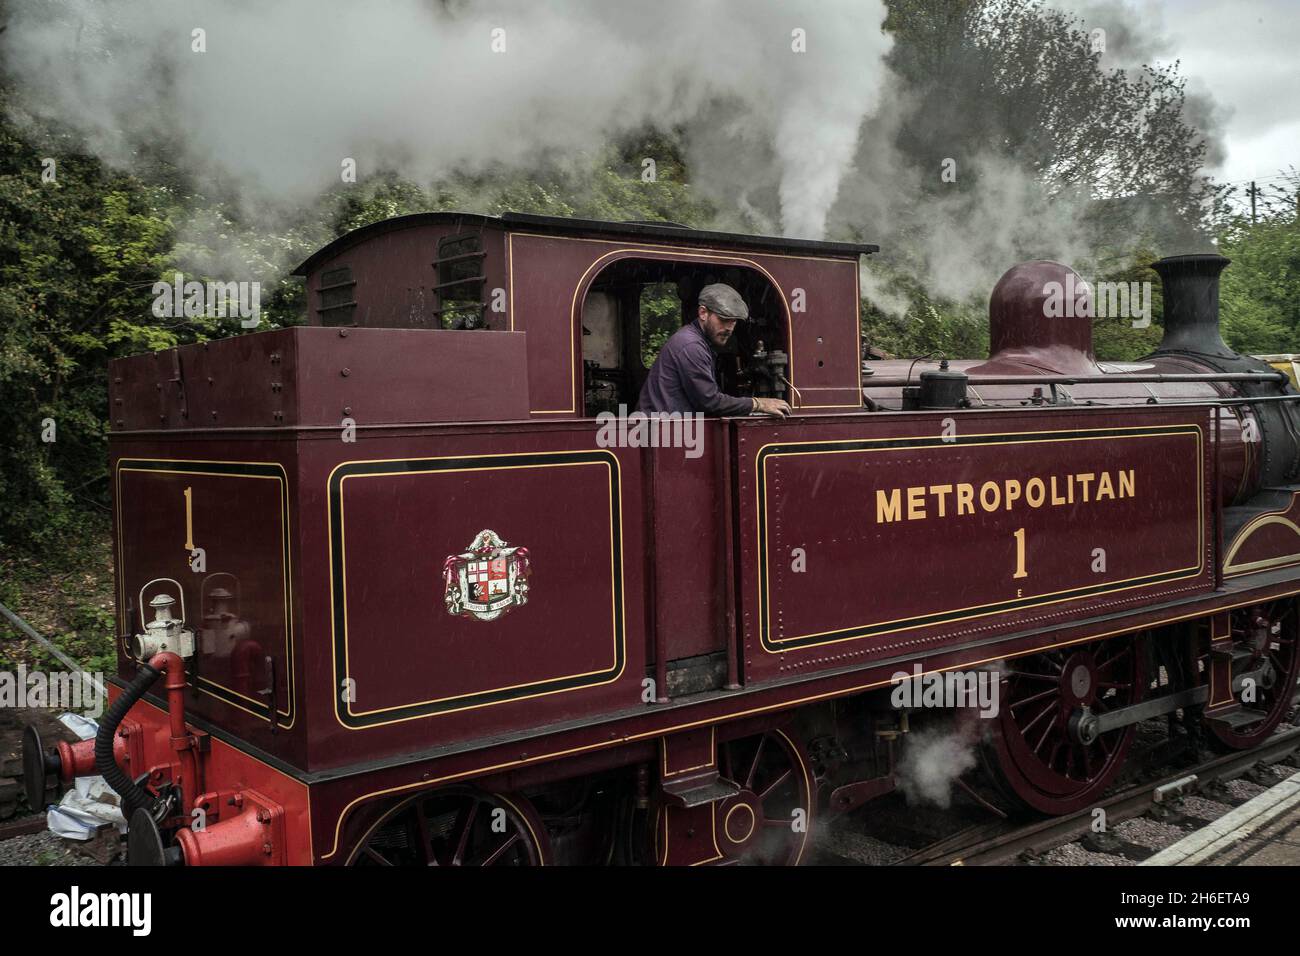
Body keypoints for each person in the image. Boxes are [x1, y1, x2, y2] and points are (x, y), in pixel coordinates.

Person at [637, 283, 791, 417]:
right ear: (703, 313)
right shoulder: (691, 346)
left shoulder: (695, 340)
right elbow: (710, 402)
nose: (729, 328)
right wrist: (758, 404)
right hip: (661, 435)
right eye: (723, 319)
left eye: (734, 322)